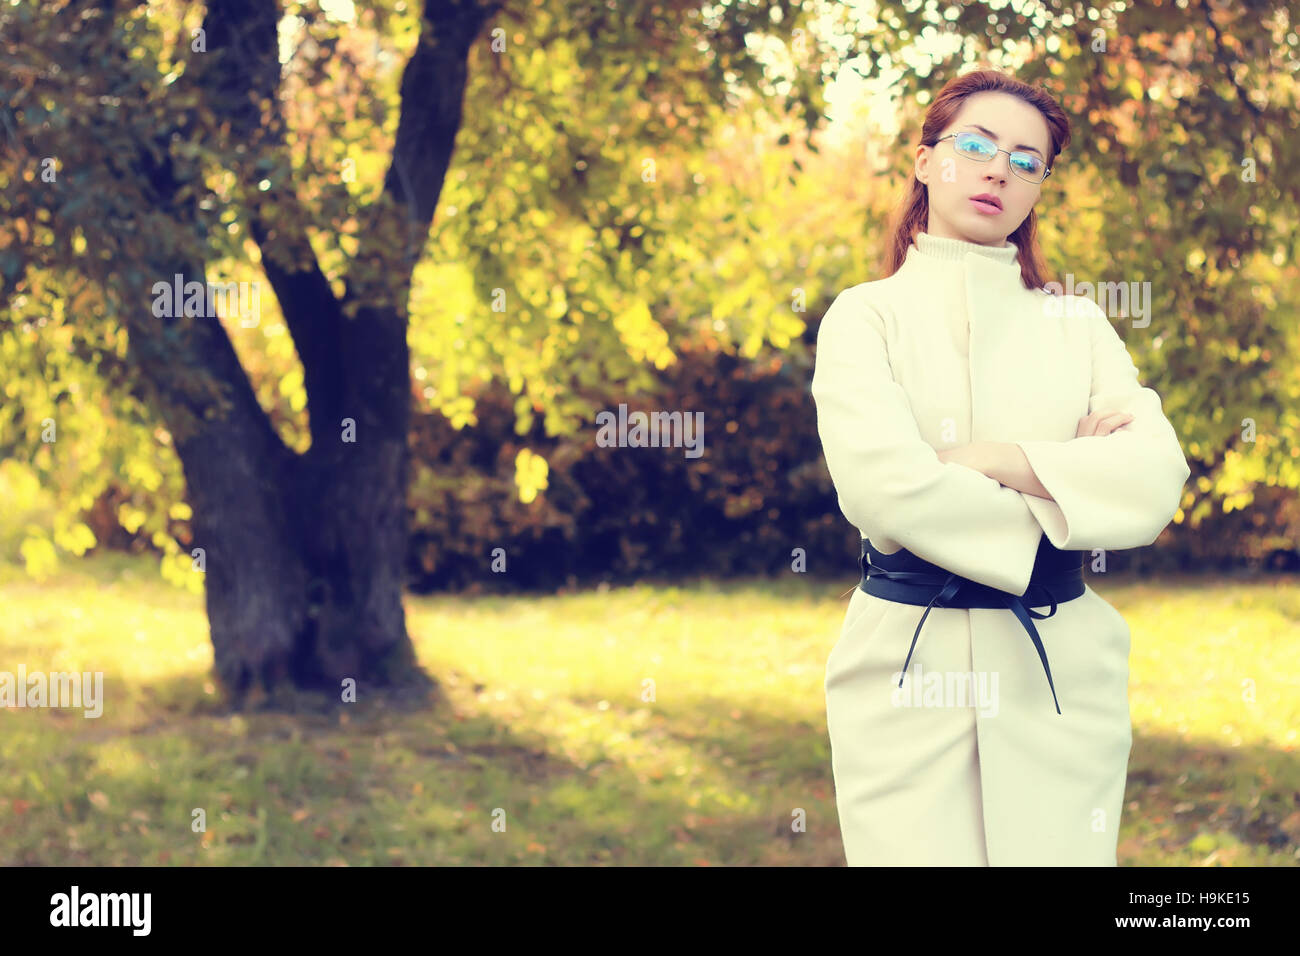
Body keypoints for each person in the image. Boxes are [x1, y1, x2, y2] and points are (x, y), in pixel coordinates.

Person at [810, 69, 1191, 866]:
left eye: (1026, 160)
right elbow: (885, 491)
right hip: (905, 665)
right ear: (926, 161)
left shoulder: (1077, 323)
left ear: (1040, 186)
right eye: (976, 145)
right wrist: (1068, 481)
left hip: (1058, 669)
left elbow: (1155, 478)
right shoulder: (865, 317)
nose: (997, 170)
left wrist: (992, 460)